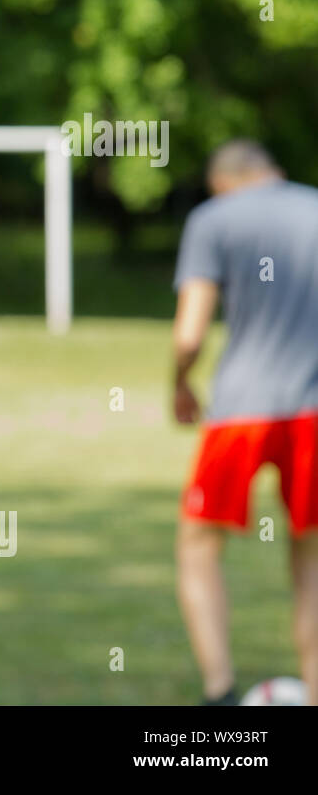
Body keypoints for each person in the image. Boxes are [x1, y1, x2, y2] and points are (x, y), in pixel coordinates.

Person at [172, 138, 318, 705]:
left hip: (241, 410)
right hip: (313, 411)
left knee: (199, 544)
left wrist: (180, 383)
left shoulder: (213, 219)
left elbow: (190, 334)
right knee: (309, 554)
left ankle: (220, 693)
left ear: (223, 181)